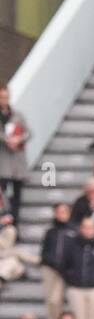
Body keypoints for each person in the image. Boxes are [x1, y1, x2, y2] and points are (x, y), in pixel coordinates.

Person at [0, 85, 29, 220]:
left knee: (17, 197)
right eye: (1, 97)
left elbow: (28, 133)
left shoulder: (17, 115)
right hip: (3, 163)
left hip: (17, 163)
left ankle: (15, 225)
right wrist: (5, 139)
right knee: (3, 196)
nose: (4, 100)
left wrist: (18, 139)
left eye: (6, 97)